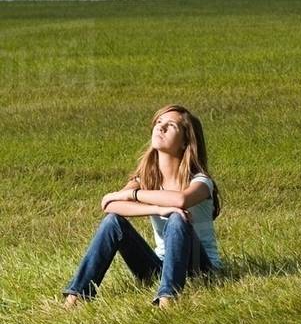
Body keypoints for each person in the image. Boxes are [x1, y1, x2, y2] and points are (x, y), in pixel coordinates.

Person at [62, 103, 223, 310]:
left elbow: (181, 201)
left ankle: (168, 299)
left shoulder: (201, 181)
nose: (160, 127)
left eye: (171, 125)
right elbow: (111, 205)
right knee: (114, 222)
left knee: (177, 217)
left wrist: (134, 195)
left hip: (200, 270)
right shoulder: (146, 179)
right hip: (159, 267)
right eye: (158, 122)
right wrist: (156, 208)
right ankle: (77, 296)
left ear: (185, 141)